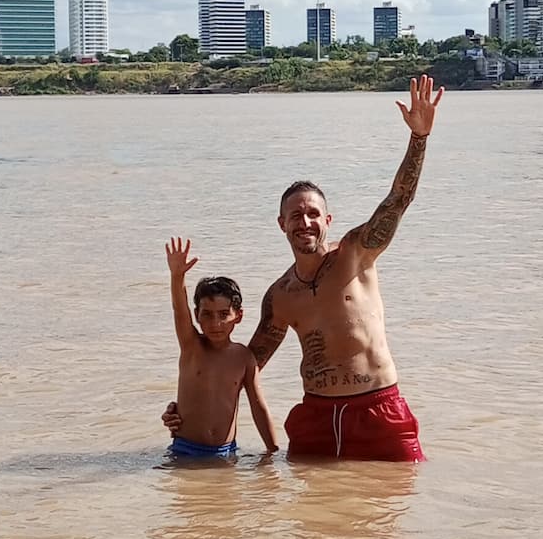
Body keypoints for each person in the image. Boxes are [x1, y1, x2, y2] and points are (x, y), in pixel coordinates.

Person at [164, 75, 443, 460]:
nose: (305, 222)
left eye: (313, 213)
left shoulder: (356, 253)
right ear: (282, 224)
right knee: (306, 518)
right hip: (316, 416)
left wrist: (419, 138)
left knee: (393, 510)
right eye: (295, 215)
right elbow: (236, 365)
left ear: (328, 219)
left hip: (378, 409)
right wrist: (184, 409)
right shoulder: (281, 296)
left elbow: (397, 200)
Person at [164, 237, 279, 458]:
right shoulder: (192, 346)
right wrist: (177, 276)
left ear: (239, 316)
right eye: (206, 315)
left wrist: (272, 453)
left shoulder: (244, 357)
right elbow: (180, 310)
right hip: (185, 450)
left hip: (226, 453)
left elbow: (258, 407)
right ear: (197, 315)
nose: (215, 324)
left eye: (223, 314)